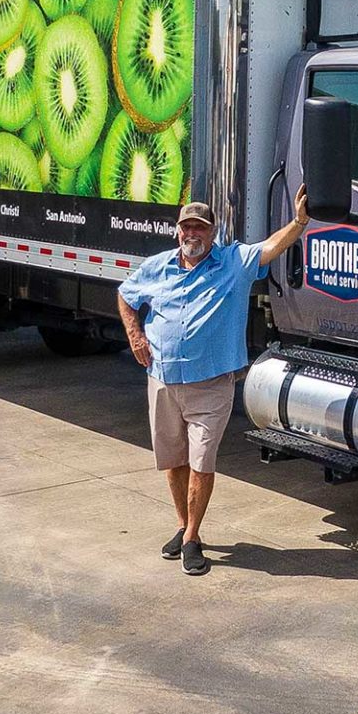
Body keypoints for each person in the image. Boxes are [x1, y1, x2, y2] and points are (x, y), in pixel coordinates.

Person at [116, 186, 309, 575]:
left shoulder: (234, 262)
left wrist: (299, 222)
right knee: (174, 461)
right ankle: (183, 525)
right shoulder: (157, 267)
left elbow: (271, 247)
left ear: (213, 231)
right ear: (178, 230)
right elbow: (125, 295)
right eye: (186, 227)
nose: (192, 234)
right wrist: (135, 336)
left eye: (200, 228)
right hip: (163, 380)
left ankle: (192, 538)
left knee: (201, 461)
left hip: (211, 385)